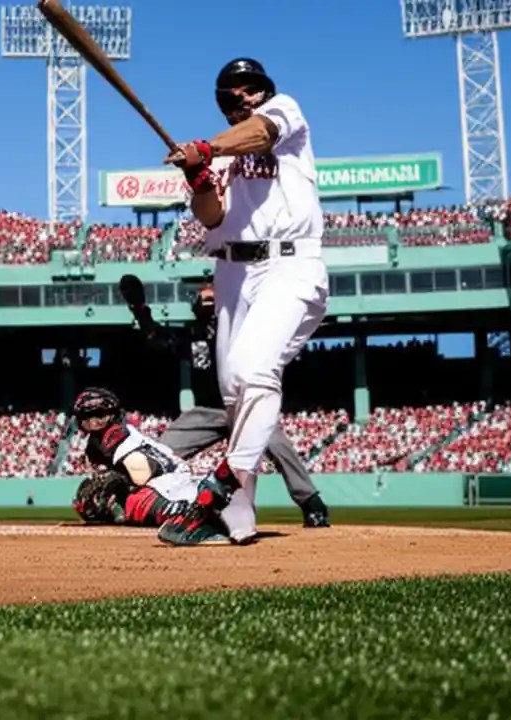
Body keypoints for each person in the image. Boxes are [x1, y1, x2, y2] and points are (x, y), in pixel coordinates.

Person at [156, 57, 330, 546]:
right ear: (223, 101)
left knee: (255, 371)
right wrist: (197, 177)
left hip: (289, 264)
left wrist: (205, 147)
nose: (245, 96)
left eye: (252, 88)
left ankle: (219, 490)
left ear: (265, 90)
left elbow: (262, 132)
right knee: (235, 395)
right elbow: (211, 218)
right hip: (232, 272)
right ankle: (239, 517)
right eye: (234, 92)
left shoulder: (283, 114)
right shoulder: (223, 154)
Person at [117, 272, 331, 528]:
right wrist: (140, 310)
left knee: (277, 443)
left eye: (213, 295)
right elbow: (156, 338)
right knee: (161, 449)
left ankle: (312, 503)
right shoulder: (191, 336)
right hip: (209, 410)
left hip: (245, 406)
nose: (208, 297)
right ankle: (133, 500)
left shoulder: (243, 329)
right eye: (203, 297)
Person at [70, 387, 230, 542]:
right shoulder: (108, 440)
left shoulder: (117, 440)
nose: (93, 422)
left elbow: (142, 475)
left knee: (136, 501)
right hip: (174, 481)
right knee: (130, 500)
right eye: (86, 418)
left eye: (98, 415)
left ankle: (194, 515)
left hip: (170, 484)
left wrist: (117, 481)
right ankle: (203, 505)